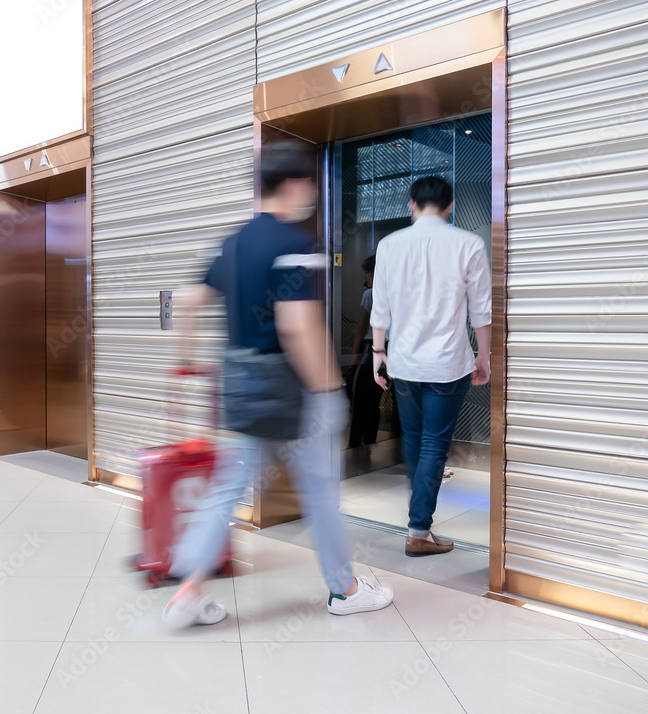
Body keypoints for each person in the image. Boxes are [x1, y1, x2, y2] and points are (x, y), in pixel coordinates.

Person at [163, 142, 394, 628]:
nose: (311, 193)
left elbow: (185, 301)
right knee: (320, 492)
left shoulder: (233, 243)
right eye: (309, 183)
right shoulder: (294, 244)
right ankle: (345, 589)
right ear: (293, 184)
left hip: (243, 388)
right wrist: (328, 391)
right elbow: (296, 326)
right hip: (292, 395)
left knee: (226, 488)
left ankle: (188, 589)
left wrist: (185, 365)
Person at [370, 176, 491, 557]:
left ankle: (418, 509)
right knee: (434, 444)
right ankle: (419, 530)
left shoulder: (389, 245)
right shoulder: (468, 243)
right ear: (450, 206)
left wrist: (378, 353)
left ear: (411, 205)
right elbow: (481, 309)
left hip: (404, 363)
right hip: (447, 364)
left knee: (413, 437)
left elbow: (380, 307)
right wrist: (483, 356)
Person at [347, 256, 384, 449]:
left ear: (374, 272)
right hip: (390, 348)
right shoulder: (395, 293)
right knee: (374, 400)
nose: (365, 278)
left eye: (367, 273)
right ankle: (370, 442)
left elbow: (361, 330)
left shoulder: (370, 294)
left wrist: (354, 359)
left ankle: (354, 446)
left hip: (370, 349)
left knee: (360, 400)